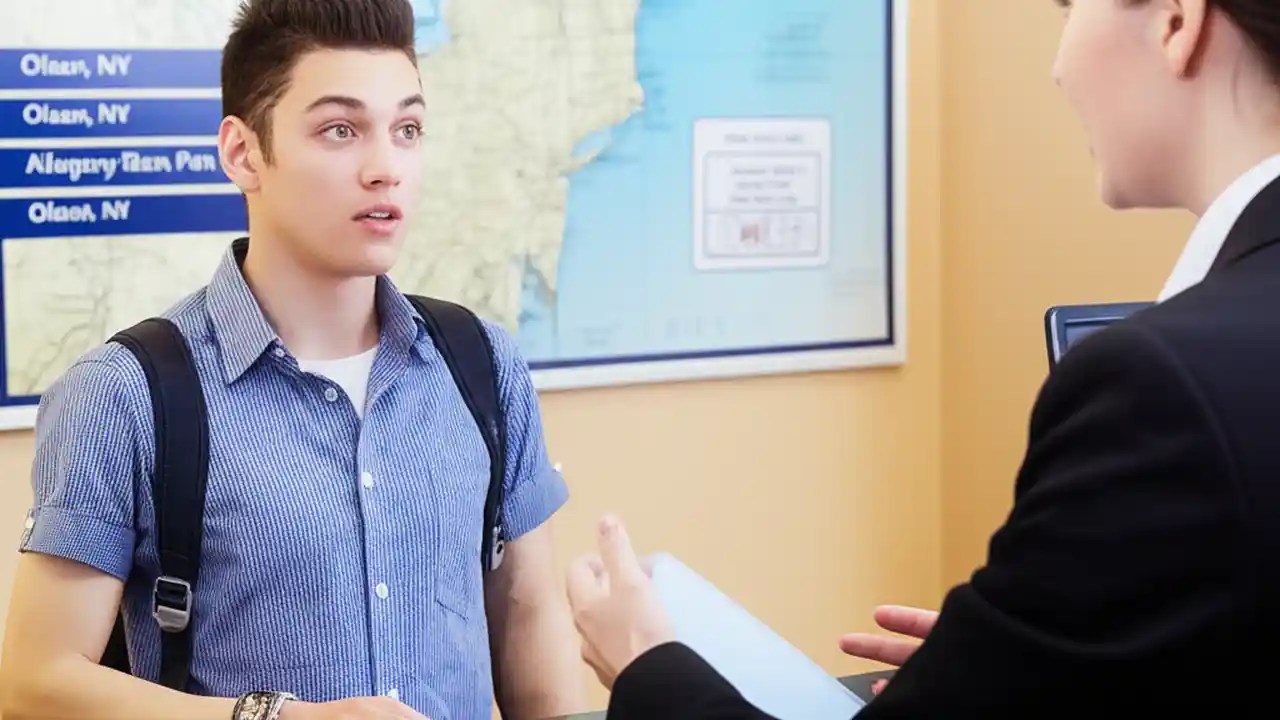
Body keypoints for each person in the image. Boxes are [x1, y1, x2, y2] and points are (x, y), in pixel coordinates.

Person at [566, 0, 1280, 716]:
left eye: (1069, 9)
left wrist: (647, 667)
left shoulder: (1158, 386)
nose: (1060, 68)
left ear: (1178, 22)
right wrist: (1029, 654)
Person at [0, 1, 582, 719]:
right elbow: (34, 683)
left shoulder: (483, 365)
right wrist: (278, 718)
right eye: (340, 130)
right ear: (243, 154)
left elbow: (530, 616)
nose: (385, 169)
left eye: (406, 129)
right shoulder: (124, 395)